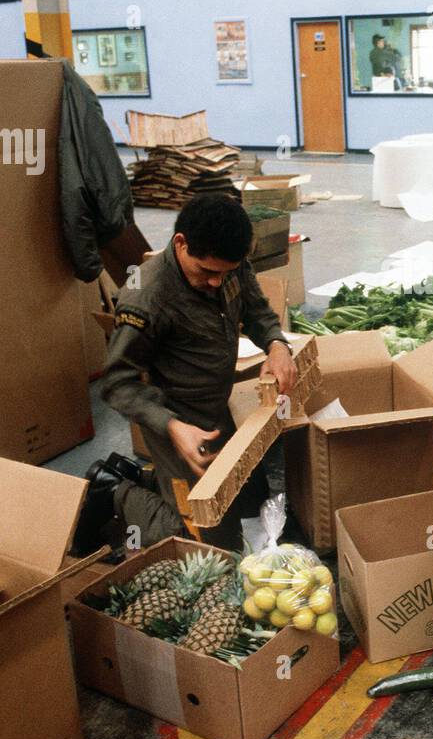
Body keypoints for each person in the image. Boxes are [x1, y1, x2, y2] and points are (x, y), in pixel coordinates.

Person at [79, 193, 297, 555]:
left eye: (225, 273)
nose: (217, 282)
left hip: (216, 406)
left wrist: (276, 344)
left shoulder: (227, 259)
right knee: (205, 541)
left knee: (252, 503)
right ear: (181, 243)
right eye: (208, 272)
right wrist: (172, 427)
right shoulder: (146, 296)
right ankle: (114, 491)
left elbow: (258, 311)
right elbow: (117, 382)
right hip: (175, 417)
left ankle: (150, 480)